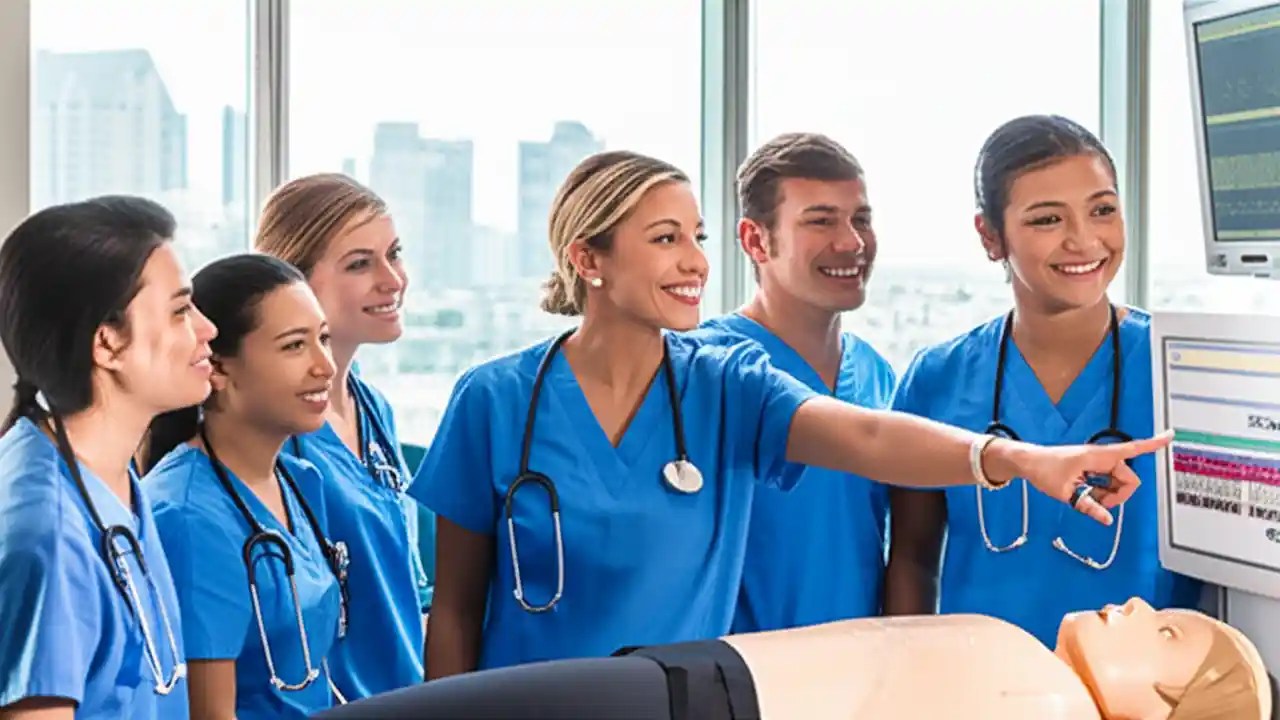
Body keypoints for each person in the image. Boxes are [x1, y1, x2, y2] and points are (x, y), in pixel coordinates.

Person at [411, 149, 1172, 678]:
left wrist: (1021, 460)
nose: (696, 262)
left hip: (676, 702)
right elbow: (453, 606)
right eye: (667, 239)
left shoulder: (728, 384)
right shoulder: (495, 398)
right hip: (524, 704)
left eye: (698, 238)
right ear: (589, 260)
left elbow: (867, 435)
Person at [881, 115, 1202, 645]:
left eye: (1102, 210)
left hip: (1147, 699)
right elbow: (913, 560)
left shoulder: (1179, 370)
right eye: (1047, 219)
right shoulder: (936, 380)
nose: (1083, 240)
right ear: (990, 236)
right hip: (983, 691)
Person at [312, 597, 1272, 720]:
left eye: (1170, 634)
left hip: (692, 704)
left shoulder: (1047, 701)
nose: (1144, 605)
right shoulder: (1035, 668)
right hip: (683, 681)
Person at [0, 197, 216, 719]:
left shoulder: (106, 473)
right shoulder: (48, 534)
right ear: (107, 344)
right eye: (181, 311)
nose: (207, 329)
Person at [697, 132, 895, 632]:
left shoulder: (876, 374)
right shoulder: (705, 370)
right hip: (741, 683)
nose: (851, 242)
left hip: (860, 679)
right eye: (821, 221)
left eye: (861, 220)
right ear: (755, 240)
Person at [143, 254, 347, 719]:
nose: (325, 366)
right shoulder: (185, 515)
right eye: (294, 346)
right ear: (216, 368)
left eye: (323, 339)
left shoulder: (300, 483)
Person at [256, 174, 430, 698]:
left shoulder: (373, 410)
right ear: (295, 284)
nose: (393, 279)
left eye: (393, 254)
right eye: (360, 264)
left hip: (406, 696)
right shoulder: (275, 431)